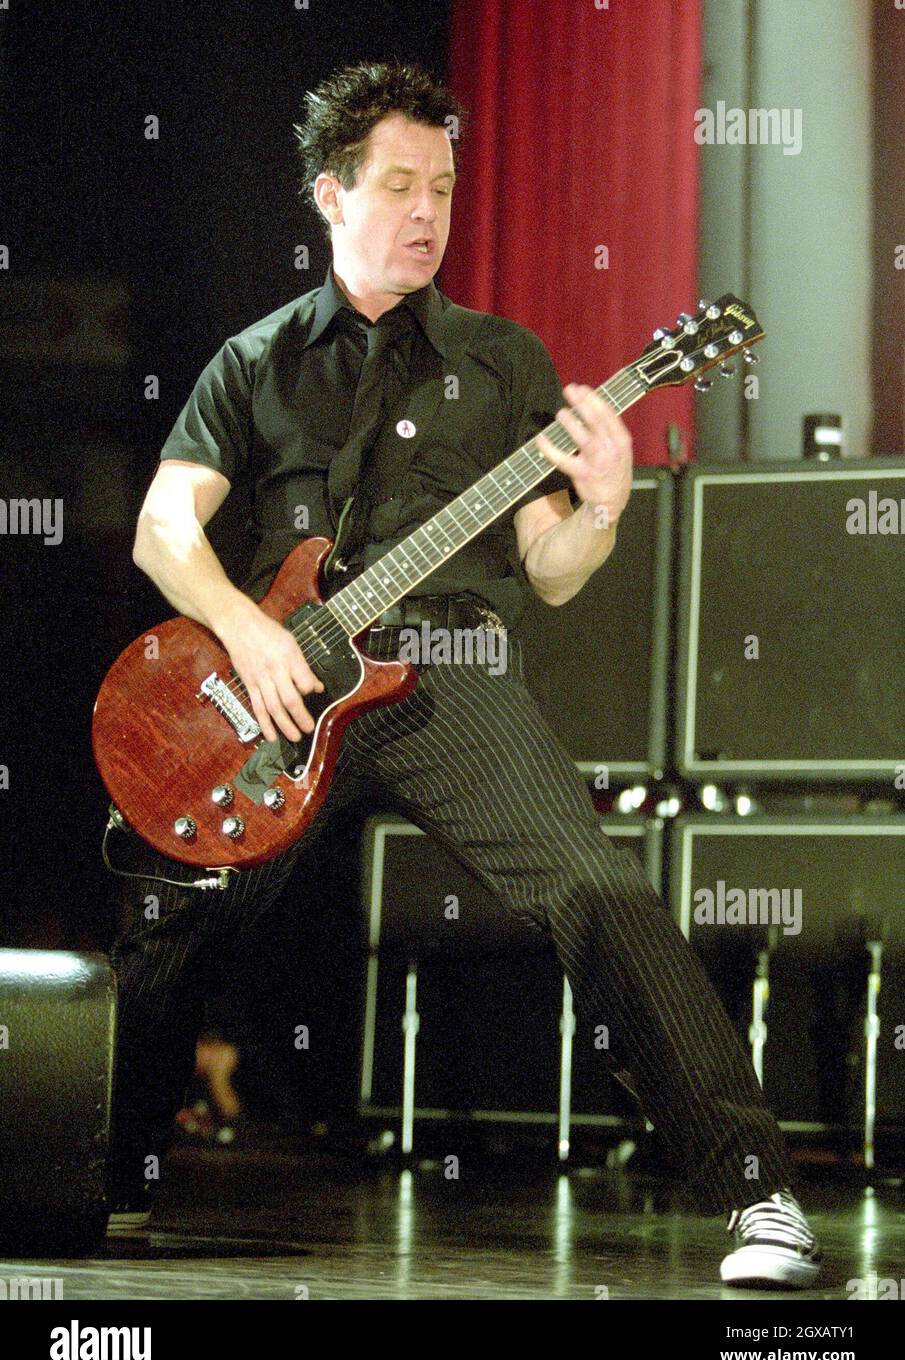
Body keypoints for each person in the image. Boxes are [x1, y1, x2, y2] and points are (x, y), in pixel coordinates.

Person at [106, 59, 820, 1288]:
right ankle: (100, 1172)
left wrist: (600, 507)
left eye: (442, 184)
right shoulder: (256, 361)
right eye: (399, 185)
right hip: (273, 691)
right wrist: (252, 627)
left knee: (595, 889)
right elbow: (163, 530)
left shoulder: (503, 365)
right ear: (330, 196)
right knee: (171, 912)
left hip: (444, 674)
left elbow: (547, 569)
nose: (428, 210)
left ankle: (755, 1197)